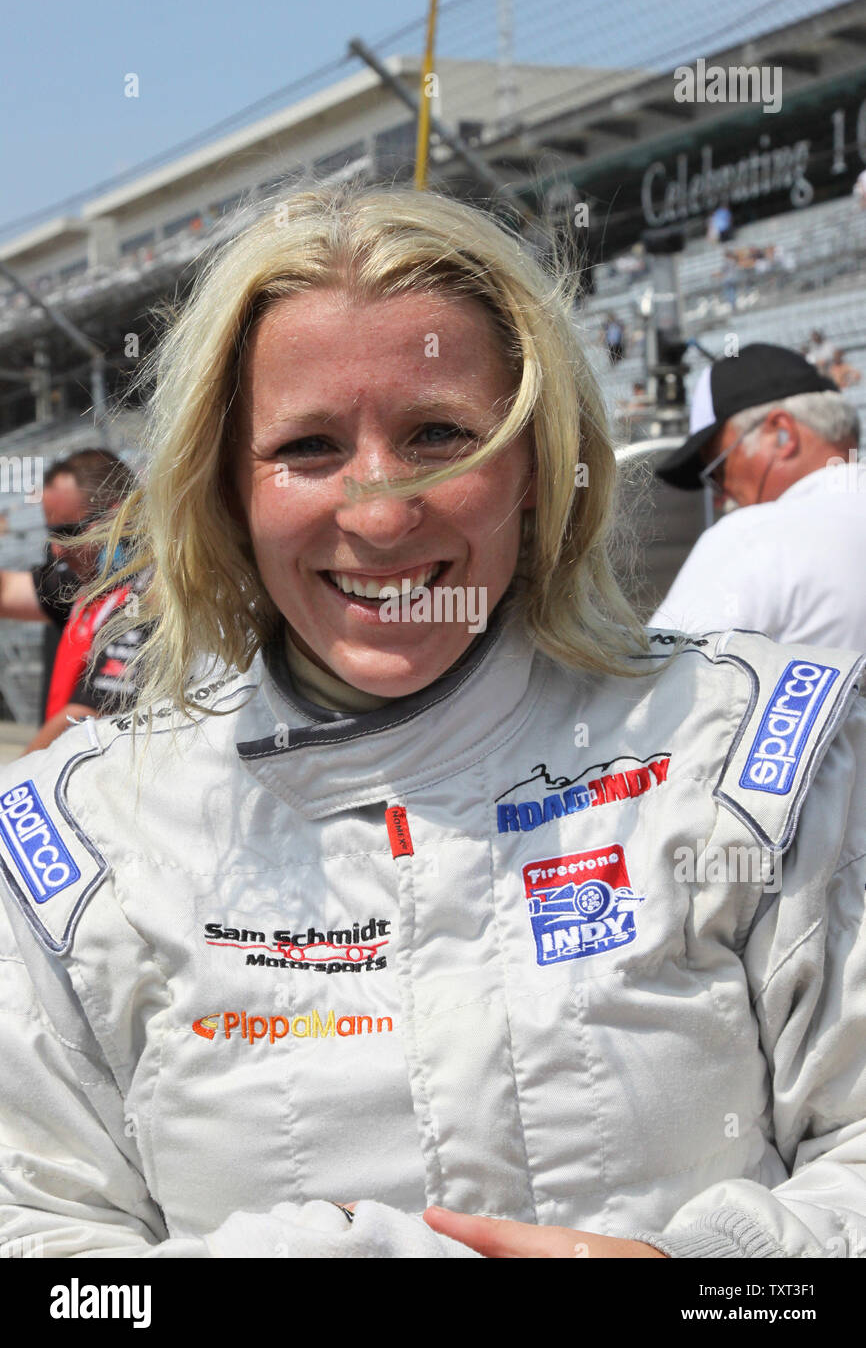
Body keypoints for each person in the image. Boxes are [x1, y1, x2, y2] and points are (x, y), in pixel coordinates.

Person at [0, 187, 866, 1261]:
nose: (377, 511)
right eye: (307, 446)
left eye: (439, 434)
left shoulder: (756, 752)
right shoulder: (76, 841)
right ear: (224, 490)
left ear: (539, 466)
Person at [652, 343, 866, 646]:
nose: (717, 496)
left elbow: (654, 686)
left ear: (782, 433)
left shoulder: (750, 537)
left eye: (717, 471)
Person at [0, 450, 128, 719]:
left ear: (117, 517)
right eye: (52, 533)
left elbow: (85, 713)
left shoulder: (152, 592)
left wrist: (30, 763)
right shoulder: (79, 581)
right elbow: (6, 592)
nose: (58, 549)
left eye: (69, 532)